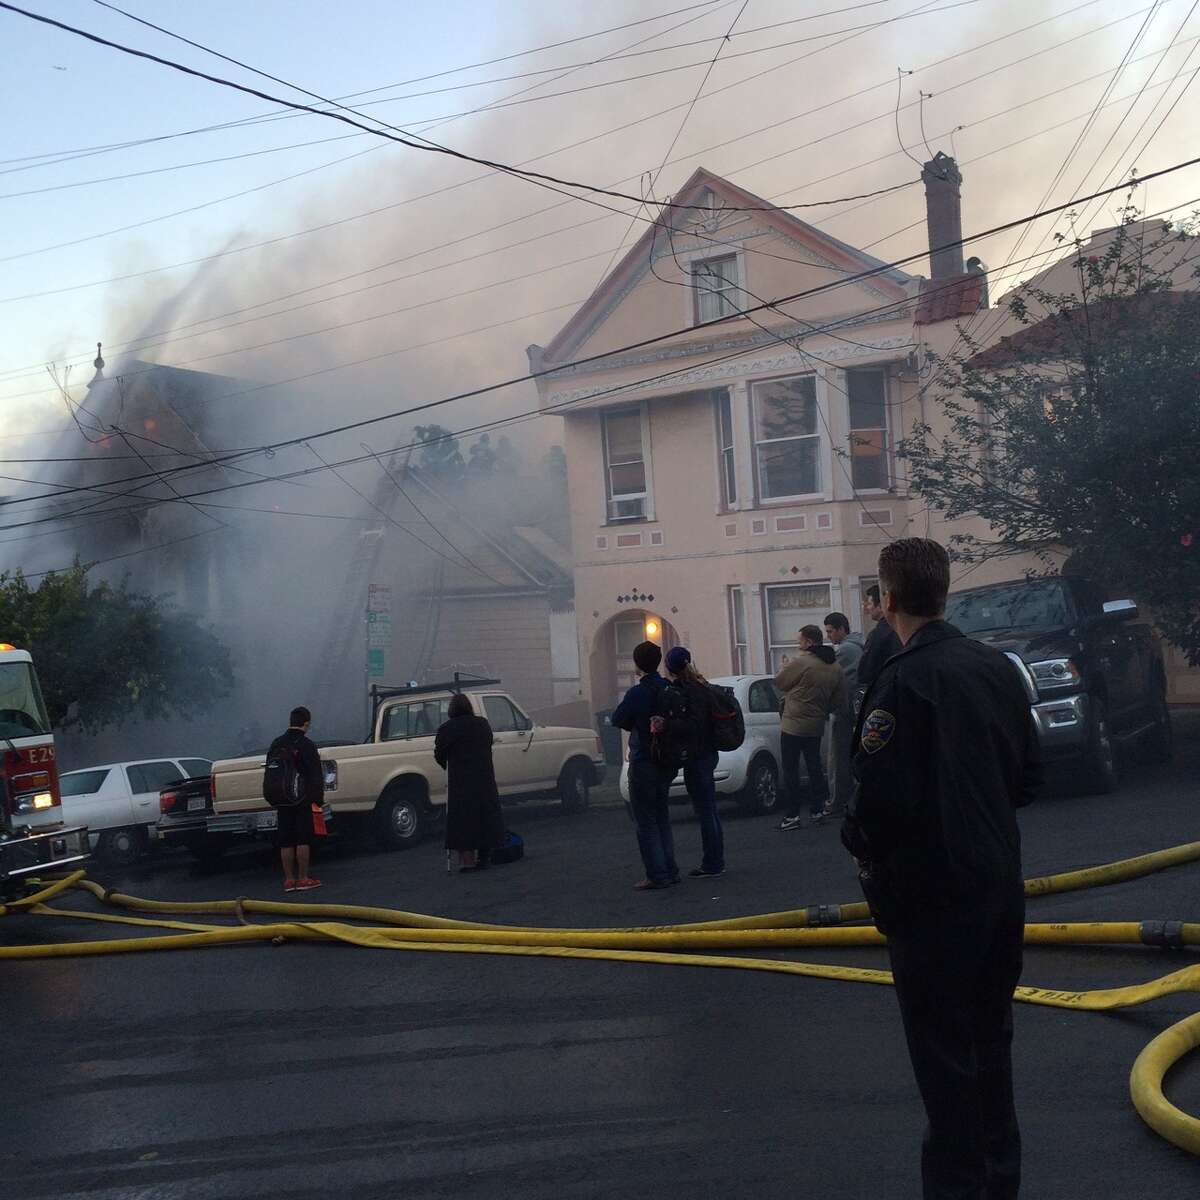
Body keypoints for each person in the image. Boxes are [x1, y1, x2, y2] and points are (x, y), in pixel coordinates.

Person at [841, 538, 1039, 1200]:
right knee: (992, 1050)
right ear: (945, 592)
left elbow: (874, 804)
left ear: (886, 600)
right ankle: (999, 1184)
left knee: (946, 1066)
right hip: (997, 888)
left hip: (933, 902)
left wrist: (873, 869)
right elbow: (1029, 777)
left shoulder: (900, 683)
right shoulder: (997, 669)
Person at [611, 641, 679, 890]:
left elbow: (617, 718)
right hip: (667, 761)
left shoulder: (637, 693)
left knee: (646, 821)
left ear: (637, 664)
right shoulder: (668, 688)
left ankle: (657, 873)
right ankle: (670, 869)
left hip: (644, 760)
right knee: (662, 816)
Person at [773, 625, 846, 831]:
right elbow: (839, 698)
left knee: (791, 770)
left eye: (801, 642)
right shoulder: (834, 666)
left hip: (793, 723)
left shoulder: (802, 662)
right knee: (815, 767)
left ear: (809, 643)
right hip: (815, 724)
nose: (799, 646)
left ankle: (792, 815)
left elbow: (779, 682)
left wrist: (784, 666)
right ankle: (818, 809)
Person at [663, 646, 724, 878]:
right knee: (709, 809)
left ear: (671, 667)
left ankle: (713, 863)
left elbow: (693, 725)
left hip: (697, 755)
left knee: (706, 810)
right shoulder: (702, 686)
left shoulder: (687, 691)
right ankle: (715, 860)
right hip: (709, 752)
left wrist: (669, 725)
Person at [434, 692, 505, 872]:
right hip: (484, 779)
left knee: (464, 821)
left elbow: (440, 755)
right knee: (484, 816)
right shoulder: (482, 724)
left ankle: (468, 861)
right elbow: (488, 744)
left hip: (461, 783)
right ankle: (484, 856)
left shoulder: (446, 729)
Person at [268, 706, 325, 893]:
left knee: (285, 840)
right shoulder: (306, 745)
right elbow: (315, 775)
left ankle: (288, 880)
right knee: (302, 838)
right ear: (306, 723)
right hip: (301, 798)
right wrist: (318, 798)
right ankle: (303, 878)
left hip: (281, 798)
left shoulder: (277, 743)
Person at [823, 611, 863, 817]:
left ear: (841, 629)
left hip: (843, 711)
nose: (828, 636)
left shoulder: (846, 650)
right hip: (856, 710)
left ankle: (838, 801)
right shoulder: (859, 645)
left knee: (838, 759)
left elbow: (828, 678)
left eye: (830, 631)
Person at [857, 583, 902, 709]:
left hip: (884, 698)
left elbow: (865, 672)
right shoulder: (901, 629)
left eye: (870, 603)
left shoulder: (878, 634)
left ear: (881, 606)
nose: (867, 608)